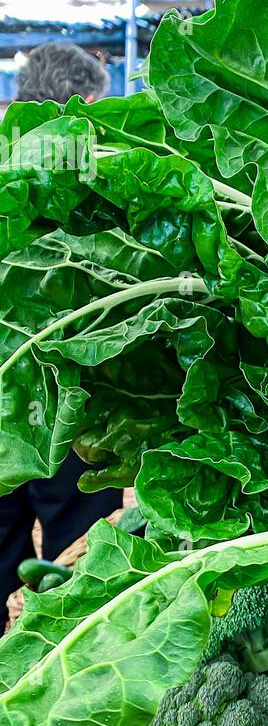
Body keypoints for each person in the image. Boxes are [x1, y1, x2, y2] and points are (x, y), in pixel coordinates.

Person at [0, 42, 122, 605]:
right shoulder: (89, 164)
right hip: (68, 392)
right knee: (79, 542)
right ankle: (61, 656)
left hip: (7, 386)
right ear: (87, 99)